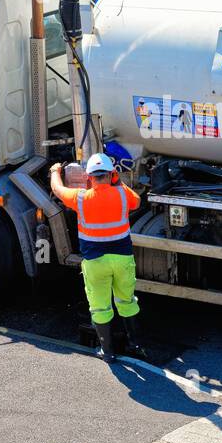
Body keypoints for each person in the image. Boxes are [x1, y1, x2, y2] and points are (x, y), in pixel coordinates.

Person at [50, 153, 144, 360]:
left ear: (89, 177)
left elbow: (57, 190)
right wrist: (118, 182)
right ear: (111, 174)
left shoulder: (80, 198)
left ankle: (107, 352)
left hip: (95, 262)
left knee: (100, 306)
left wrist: (54, 171)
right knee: (127, 301)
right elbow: (136, 202)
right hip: (122, 260)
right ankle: (137, 346)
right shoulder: (122, 194)